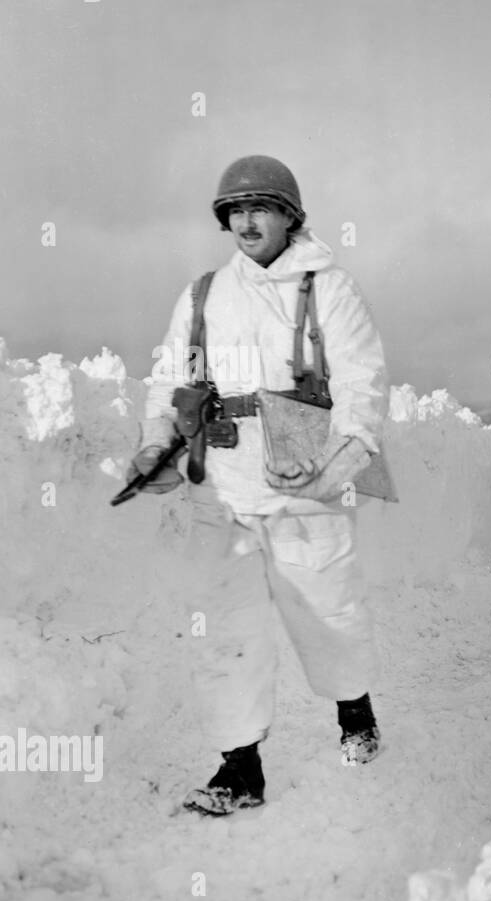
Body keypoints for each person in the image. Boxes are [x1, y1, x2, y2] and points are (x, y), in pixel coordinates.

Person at [129, 155, 390, 816]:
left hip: (304, 474)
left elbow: (363, 382)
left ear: (288, 217)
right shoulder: (203, 295)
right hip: (220, 483)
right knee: (226, 626)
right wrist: (154, 442)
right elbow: (170, 377)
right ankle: (239, 768)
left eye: (261, 208)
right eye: (235, 211)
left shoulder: (328, 289)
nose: (246, 222)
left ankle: (354, 710)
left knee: (325, 605)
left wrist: (342, 461)